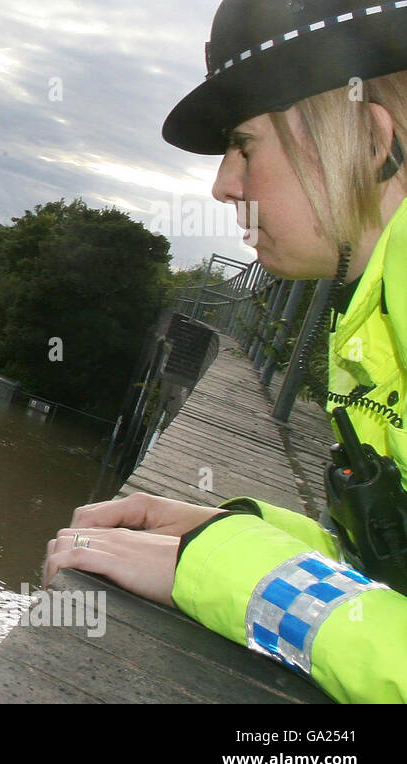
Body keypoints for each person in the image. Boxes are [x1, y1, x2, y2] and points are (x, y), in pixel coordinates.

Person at [44, 0, 407, 703]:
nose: (223, 184)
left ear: (369, 138)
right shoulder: (371, 304)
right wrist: (239, 531)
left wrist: (220, 568)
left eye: (245, 145)